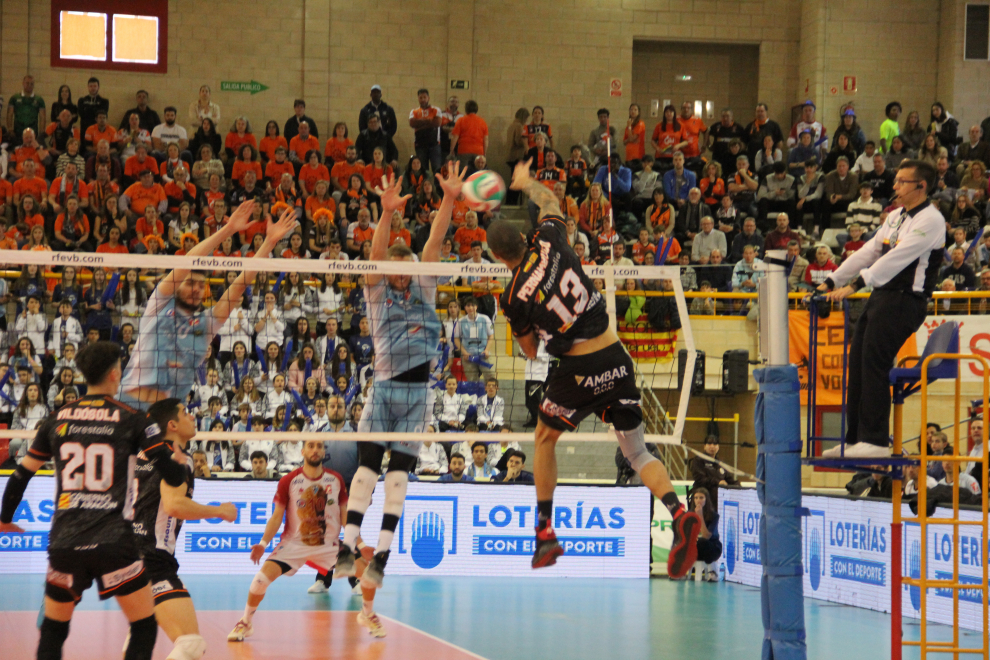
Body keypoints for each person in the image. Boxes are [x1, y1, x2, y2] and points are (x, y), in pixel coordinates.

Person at [485, 158, 700, 576]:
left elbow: (529, 354)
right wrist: (526, 182)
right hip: (617, 356)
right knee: (636, 450)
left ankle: (545, 534)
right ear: (525, 236)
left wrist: (527, 323)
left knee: (545, 437)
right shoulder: (550, 237)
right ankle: (678, 514)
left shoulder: (511, 296)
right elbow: (550, 200)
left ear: (497, 255)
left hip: (579, 368)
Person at [0, 341, 191, 660]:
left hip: (65, 542)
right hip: (114, 543)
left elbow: (20, 474)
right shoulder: (132, 418)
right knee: (144, 625)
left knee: (53, 629)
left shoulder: (56, 419)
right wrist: (174, 456)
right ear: (116, 374)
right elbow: (170, 475)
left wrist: (5, 517)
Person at [333, 165, 464, 588]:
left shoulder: (423, 285)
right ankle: (347, 544)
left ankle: (382, 555)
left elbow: (435, 241)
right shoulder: (376, 289)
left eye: (405, 265)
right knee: (366, 471)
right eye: (395, 264)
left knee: (398, 479)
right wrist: (385, 213)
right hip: (385, 390)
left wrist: (448, 198)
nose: (400, 270)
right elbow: (374, 256)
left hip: (418, 395)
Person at [821, 160, 946, 458]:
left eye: (902, 182)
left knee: (875, 362)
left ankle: (875, 440)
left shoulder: (931, 220)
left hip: (905, 300)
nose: (895, 186)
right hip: (881, 297)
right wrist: (830, 279)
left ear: (921, 186)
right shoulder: (894, 217)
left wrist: (855, 284)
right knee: (858, 362)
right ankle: (855, 438)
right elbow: (869, 251)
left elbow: (897, 258)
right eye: (897, 180)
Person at [120, 202, 296, 408]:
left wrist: (269, 243)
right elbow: (188, 262)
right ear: (177, 286)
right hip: (130, 403)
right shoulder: (158, 305)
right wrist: (228, 229)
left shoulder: (205, 324)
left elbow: (238, 287)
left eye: (200, 285)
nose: (196, 289)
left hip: (167, 411)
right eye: (190, 283)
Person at [227, 439, 386, 640]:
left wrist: (361, 545)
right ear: (302, 451)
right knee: (259, 581)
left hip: (329, 545)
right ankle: (245, 623)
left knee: (369, 575)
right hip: (294, 545)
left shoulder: (335, 480)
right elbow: (277, 516)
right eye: (311, 446)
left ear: (323, 451)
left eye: (319, 446)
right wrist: (262, 543)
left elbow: (345, 516)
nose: (315, 450)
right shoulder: (288, 481)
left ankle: (367, 614)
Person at [132, 398, 238, 660]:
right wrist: (219, 511)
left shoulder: (141, 453)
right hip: (152, 557)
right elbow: (174, 505)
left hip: (127, 553)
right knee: (190, 644)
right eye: (185, 413)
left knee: (140, 637)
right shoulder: (177, 456)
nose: (192, 416)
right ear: (172, 425)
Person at [689, 487, 722, 582]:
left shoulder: (714, 516)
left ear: (706, 499)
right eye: (696, 498)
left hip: (712, 547)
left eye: (701, 498)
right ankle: (680, 572)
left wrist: (700, 516)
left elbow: (706, 536)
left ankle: (712, 571)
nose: (698, 500)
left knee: (702, 541)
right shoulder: (689, 514)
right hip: (696, 547)